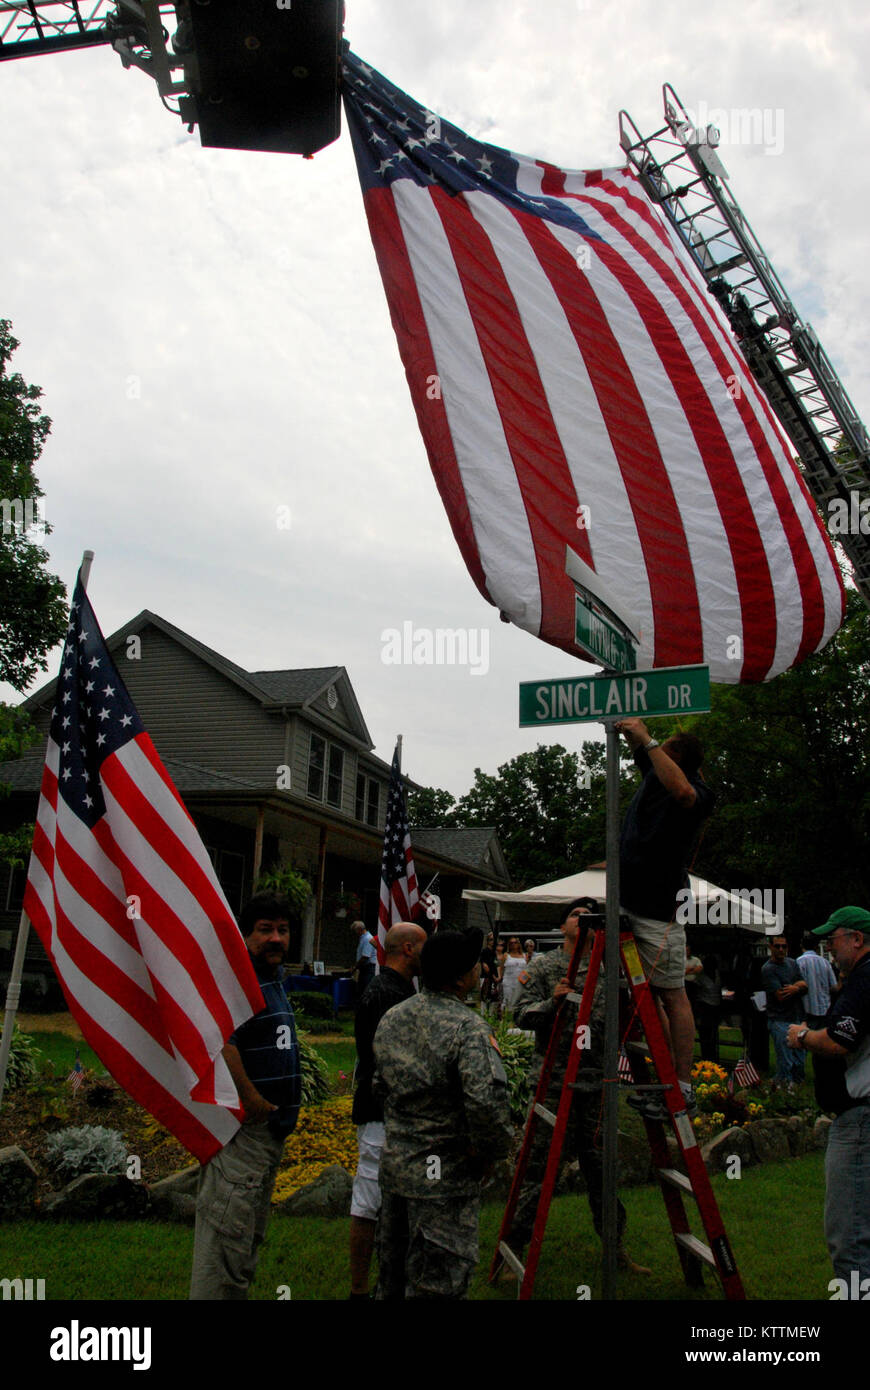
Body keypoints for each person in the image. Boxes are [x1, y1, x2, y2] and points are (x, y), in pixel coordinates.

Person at [506, 898, 649, 1276]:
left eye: (590, 912)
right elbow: (520, 1014)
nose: (583, 917)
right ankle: (515, 1249)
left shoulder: (610, 970)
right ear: (563, 926)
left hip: (597, 1085)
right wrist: (551, 1003)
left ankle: (616, 1250)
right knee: (536, 1169)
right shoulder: (546, 966)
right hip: (553, 1083)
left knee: (602, 1171)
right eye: (574, 913)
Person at [372, 928, 514, 1299]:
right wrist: (489, 1151)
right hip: (444, 1181)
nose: (481, 970)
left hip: (397, 1172)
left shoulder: (392, 1018)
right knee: (439, 1284)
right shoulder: (468, 1028)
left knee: (393, 1278)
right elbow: (485, 1102)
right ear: (459, 977)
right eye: (474, 965)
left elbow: (378, 1085)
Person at [190, 893, 301, 1300]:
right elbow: (221, 1040)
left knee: (245, 1247)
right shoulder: (238, 979)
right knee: (225, 1248)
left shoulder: (273, 977)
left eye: (283, 930)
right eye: (265, 929)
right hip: (244, 1134)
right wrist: (251, 1098)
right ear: (245, 933)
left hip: (268, 1136)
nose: (276, 938)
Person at [616, 720, 714, 1116]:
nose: (654, 753)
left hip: (661, 909)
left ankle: (683, 1087)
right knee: (646, 993)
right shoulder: (655, 774)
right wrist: (627, 726)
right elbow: (640, 746)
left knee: (672, 993)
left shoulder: (698, 792)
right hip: (628, 901)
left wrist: (647, 738)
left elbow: (683, 792)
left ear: (677, 757)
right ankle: (661, 1079)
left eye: (665, 748)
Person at [786, 907, 870, 1286]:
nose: (829, 949)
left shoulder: (864, 980)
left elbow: (838, 1040)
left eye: (833, 940)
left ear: (857, 939)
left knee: (849, 1234)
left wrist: (802, 1037)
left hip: (860, 1119)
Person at [348, 921, 427, 1299]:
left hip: (395, 1112)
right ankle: (359, 1289)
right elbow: (382, 1058)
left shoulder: (401, 988)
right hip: (379, 1113)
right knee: (368, 1202)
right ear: (408, 949)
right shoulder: (383, 993)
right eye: (423, 945)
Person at [761, 934, 807, 1087]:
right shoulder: (768, 969)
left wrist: (794, 987)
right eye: (777, 946)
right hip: (779, 1019)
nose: (781, 949)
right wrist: (797, 988)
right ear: (771, 947)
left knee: (800, 1057)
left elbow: (804, 984)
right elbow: (781, 995)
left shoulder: (792, 963)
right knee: (785, 1060)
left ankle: (798, 1088)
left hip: (796, 1017)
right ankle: (783, 1087)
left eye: (784, 946)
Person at [797, 933, 840, 1028]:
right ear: (816, 947)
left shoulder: (798, 962)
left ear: (801, 945)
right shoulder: (825, 962)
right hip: (825, 1009)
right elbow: (834, 987)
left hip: (807, 1011)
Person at [499, 935, 526, 1014]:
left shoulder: (524, 956)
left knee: (519, 1001)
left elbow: (527, 970)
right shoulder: (506, 955)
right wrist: (500, 978)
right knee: (508, 1001)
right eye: (511, 943)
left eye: (515, 942)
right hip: (508, 982)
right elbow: (501, 968)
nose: (513, 944)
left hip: (520, 983)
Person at [351, 919, 378, 994]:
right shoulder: (363, 938)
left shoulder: (367, 939)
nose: (354, 933)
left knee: (365, 990)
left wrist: (355, 967)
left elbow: (365, 956)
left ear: (359, 929)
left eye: (354, 931)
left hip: (369, 969)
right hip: (365, 968)